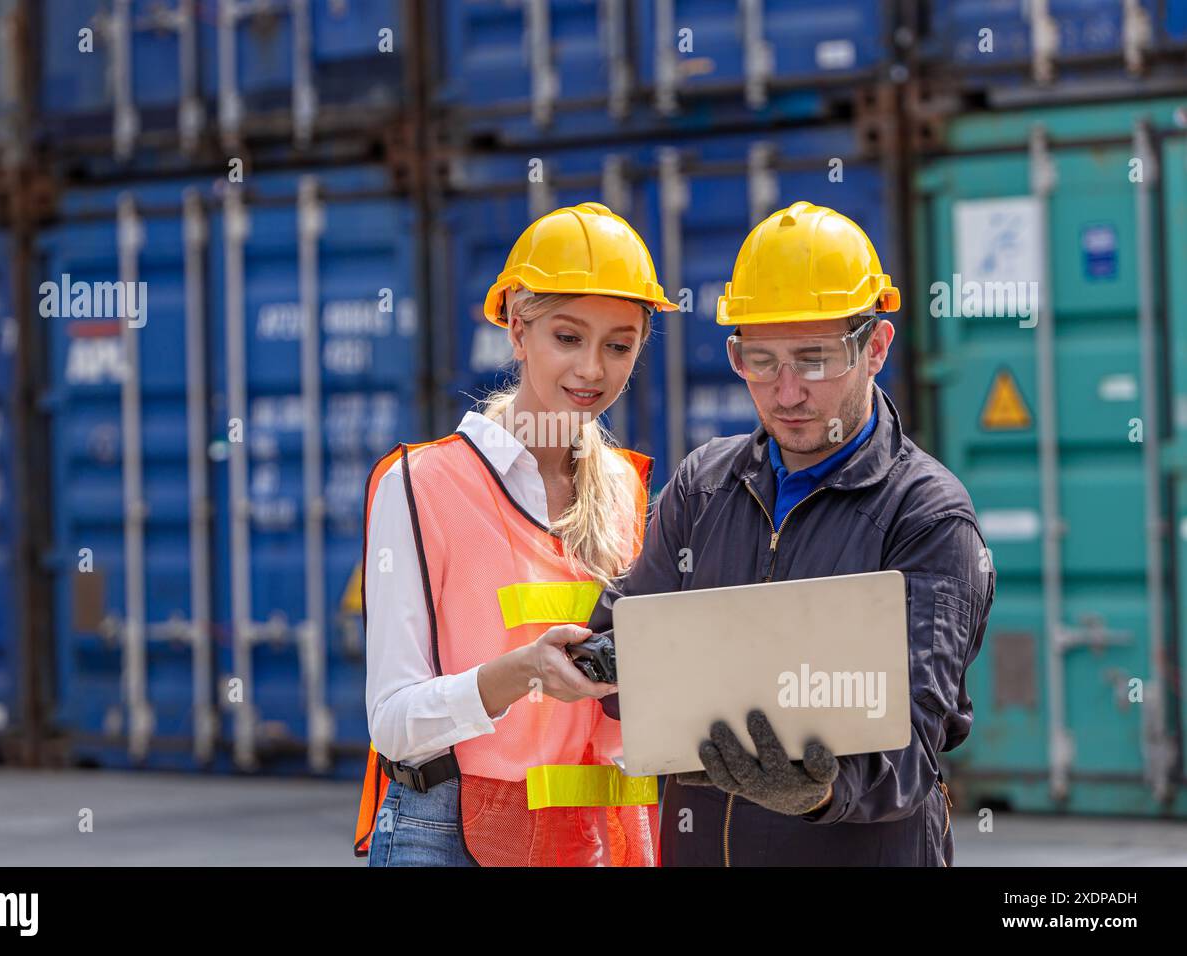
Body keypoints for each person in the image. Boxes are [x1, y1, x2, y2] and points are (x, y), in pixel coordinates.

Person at [587, 200, 996, 866]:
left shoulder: (926, 515)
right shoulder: (702, 486)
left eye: (813, 360)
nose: (786, 394)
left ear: (877, 348)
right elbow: (627, 645)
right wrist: (601, 661)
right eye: (761, 361)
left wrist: (816, 791)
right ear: (733, 353)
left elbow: (916, 744)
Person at [353, 202, 676, 866]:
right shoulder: (420, 483)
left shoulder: (629, 490)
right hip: (451, 832)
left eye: (618, 345)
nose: (592, 369)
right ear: (517, 330)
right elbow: (391, 721)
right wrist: (521, 673)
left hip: (602, 838)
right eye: (567, 337)